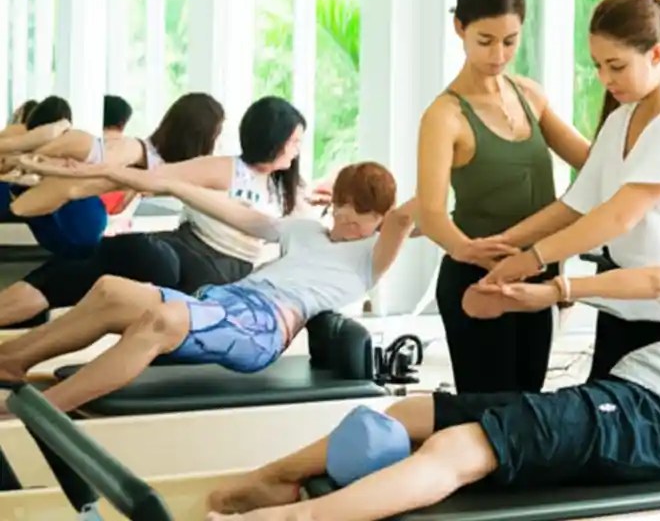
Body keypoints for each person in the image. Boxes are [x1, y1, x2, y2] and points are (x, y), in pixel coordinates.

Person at [202, 227, 660, 521]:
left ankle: (302, 516)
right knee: (417, 413)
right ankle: (271, 476)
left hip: (648, 419)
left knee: (456, 448)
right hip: (639, 418)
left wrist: (561, 290)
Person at [0, 160, 417, 414]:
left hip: (264, 326)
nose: (348, 226)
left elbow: (405, 220)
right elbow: (239, 213)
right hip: (228, 299)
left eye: (361, 221)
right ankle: (10, 360)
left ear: (379, 218)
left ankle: (35, 411)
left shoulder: (371, 256)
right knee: (111, 290)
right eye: (343, 214)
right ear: (335, 203)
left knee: (161, 320)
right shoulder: (304, 229)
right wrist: (172, 186)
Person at [472, 0, 660, 381]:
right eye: (598, 66)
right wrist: (504, 244)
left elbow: (618, 217)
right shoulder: (622, 119)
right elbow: (575, 205)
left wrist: (531, 259)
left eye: (616, 66)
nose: (606, 79)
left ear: (657, 55)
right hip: (624, 306)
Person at [415, 0, 590, 394]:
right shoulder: (444, 116)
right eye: (485, 40)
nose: (498, 54)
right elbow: (431, 212)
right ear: (460, 28)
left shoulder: (530, 95)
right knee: (488, 418)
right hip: (477, 280)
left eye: (509, 41)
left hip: (535, 275)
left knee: (527, 413)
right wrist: (463, 248)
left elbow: (592, 162)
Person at [0, 96, 306, 329]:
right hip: (181, 252)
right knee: (69, 272)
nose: (296, 150)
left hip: (210, 270)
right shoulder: (226, 169)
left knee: (114, 261)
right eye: (294, 141)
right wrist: (75, 171)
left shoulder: (290, 190)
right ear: (271, 140)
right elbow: (155, 179)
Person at [0, 93, 226, 257]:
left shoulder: (163, 165)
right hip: (70, 218)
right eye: (215, 135)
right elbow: (83, 173)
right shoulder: (134, 150)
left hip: (70, 219)